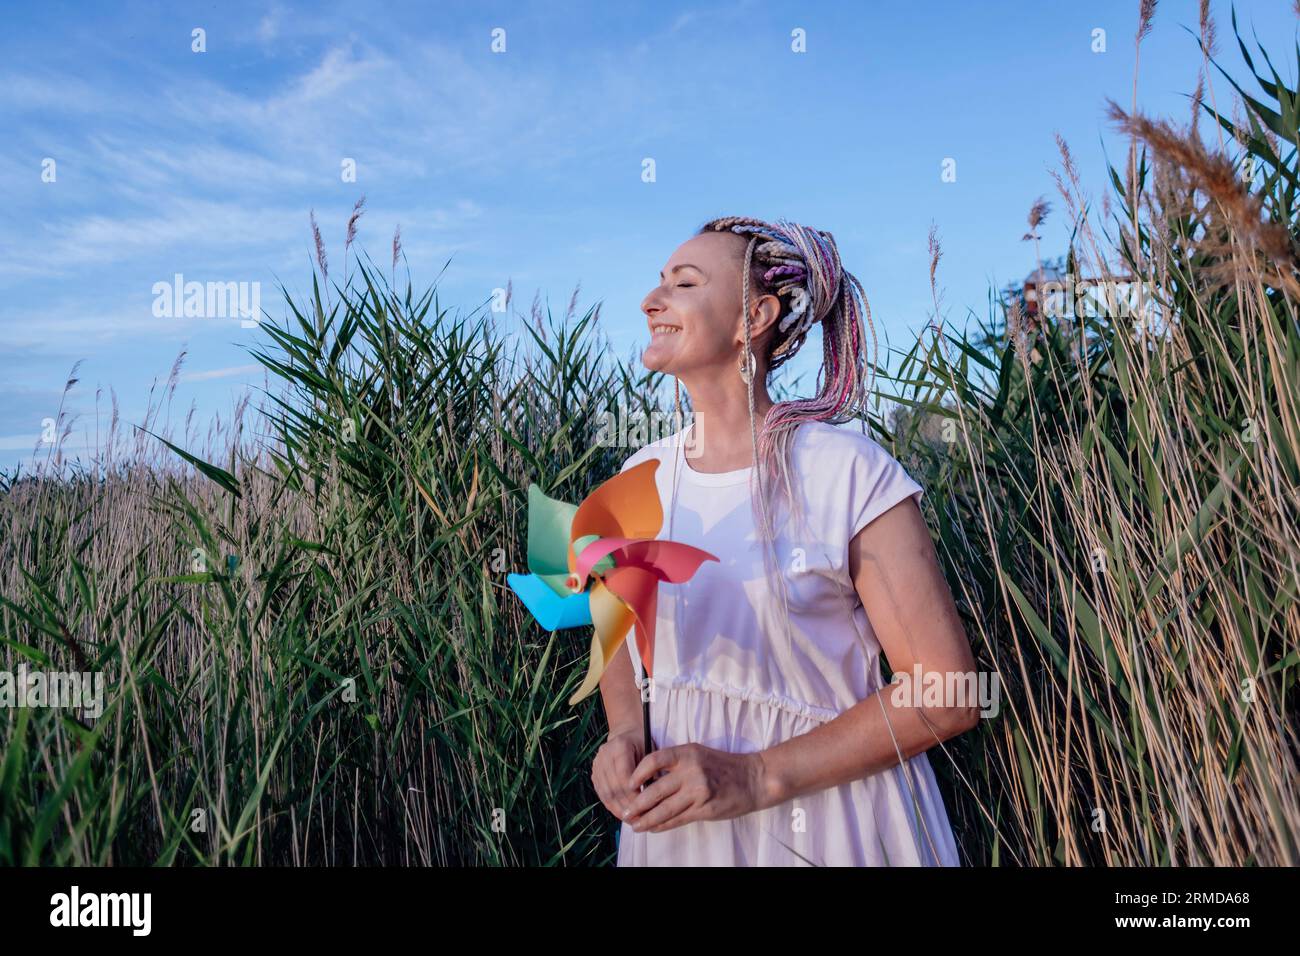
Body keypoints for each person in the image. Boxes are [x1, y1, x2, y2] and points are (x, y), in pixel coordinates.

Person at [590, 216, 978, 866]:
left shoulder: (846, 472)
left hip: (834, 821)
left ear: (754, 316)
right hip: (683, 824)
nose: (650, 301)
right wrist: (626, 734)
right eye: (658, 283)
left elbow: (948, 693)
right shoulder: (637, 479)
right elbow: (619, 643)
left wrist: (755, 776)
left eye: (683, 283)